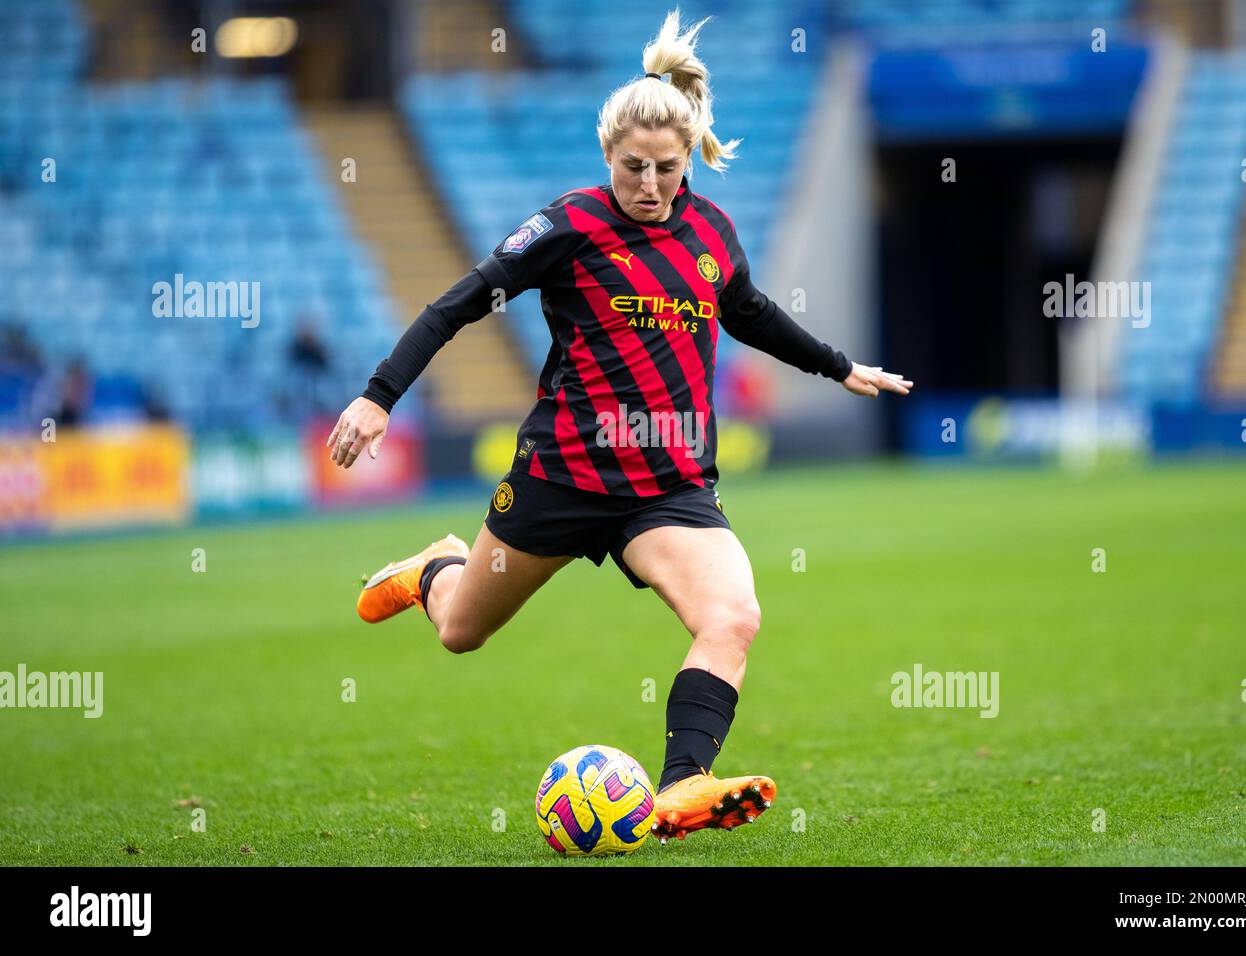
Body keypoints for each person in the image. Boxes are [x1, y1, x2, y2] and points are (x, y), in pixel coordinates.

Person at [326, 9, 912, 843]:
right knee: (460, 632)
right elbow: (458, 303)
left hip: (668, 487)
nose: (648, 183)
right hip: (562, 475)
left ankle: (683, 783)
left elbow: (748, 311)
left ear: (687, 162)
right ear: (608, 158)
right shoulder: (566, 227)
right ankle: (435, 568)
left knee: (733, 615)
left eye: (665, 169)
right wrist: (378, 395)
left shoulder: (710, 231)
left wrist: (837, 365)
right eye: (632, 167)